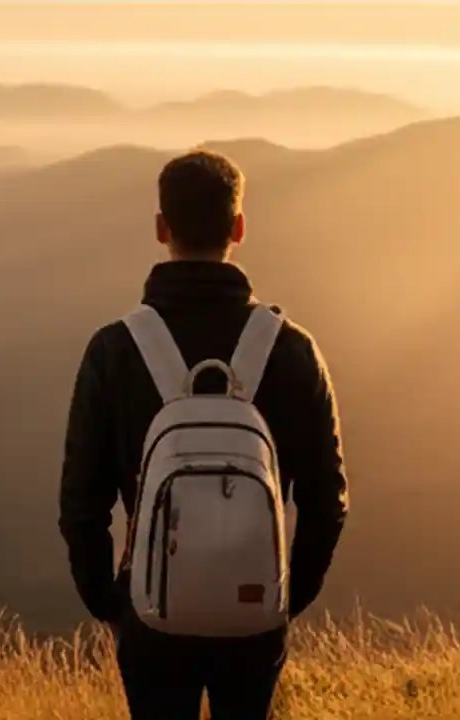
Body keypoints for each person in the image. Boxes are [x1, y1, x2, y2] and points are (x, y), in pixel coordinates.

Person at [58, 149, 350, 719]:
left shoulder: (115, 349)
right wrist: (285, 596)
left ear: (161, 228)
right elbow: (327, 500)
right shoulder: (291, 349)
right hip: (255, 611)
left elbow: (80, 504)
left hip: (150, 611)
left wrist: (112, 603)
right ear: (238, 227)